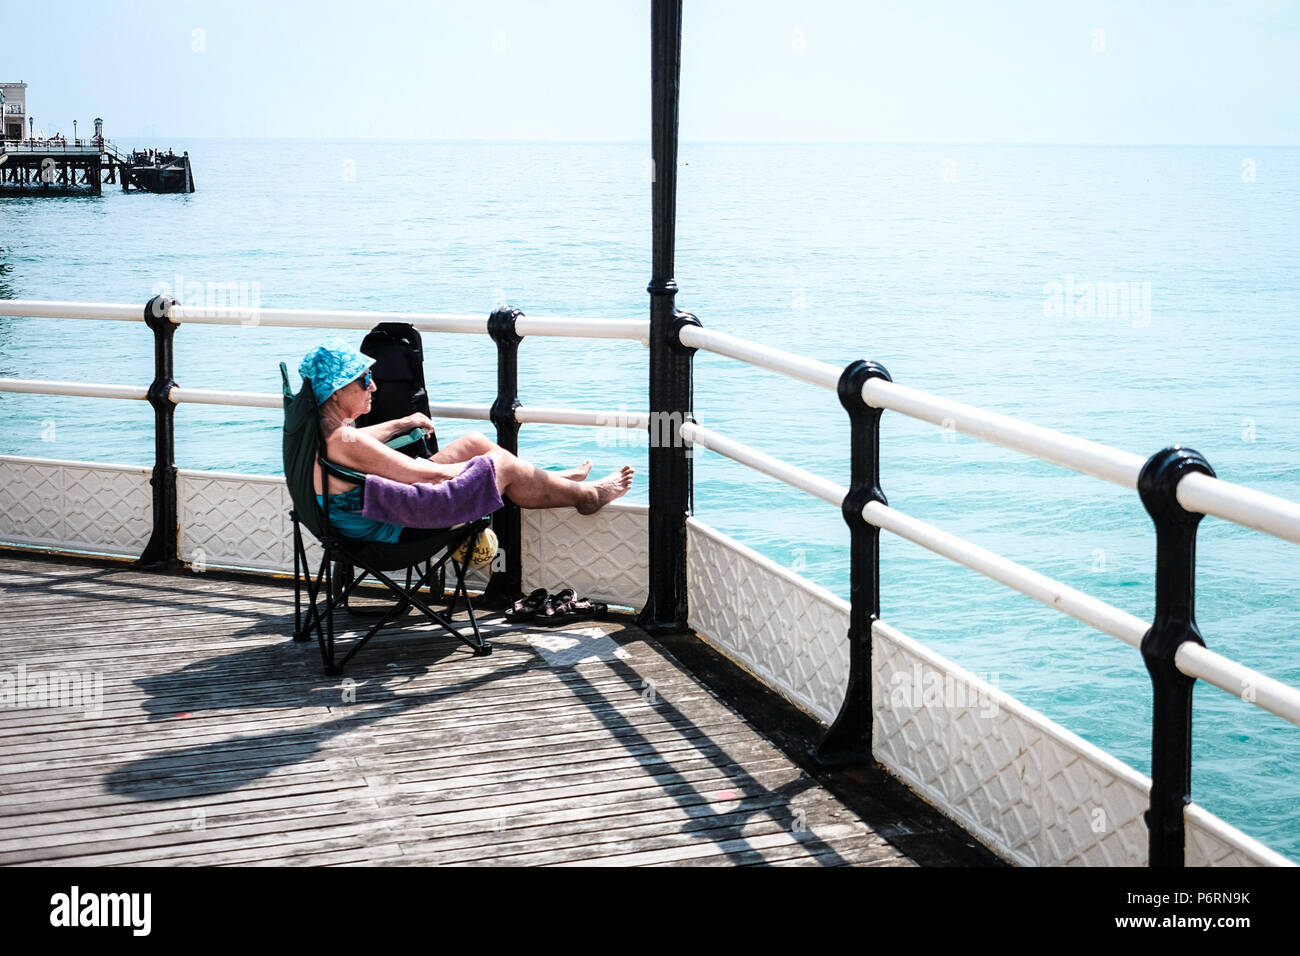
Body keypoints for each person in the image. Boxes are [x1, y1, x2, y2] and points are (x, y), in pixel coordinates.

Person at [299, 340, 633, 542]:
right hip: (390, 526)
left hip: (361, 515)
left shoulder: (323, 431)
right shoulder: (347, 441)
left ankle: (544, 478)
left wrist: (403, 423)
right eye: (364, 379)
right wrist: (485, 469)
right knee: (496, 462)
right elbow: (426, 476)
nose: (373, 386)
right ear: (337, 390)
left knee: (473, 441)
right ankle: (587, 496)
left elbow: (356, 441)